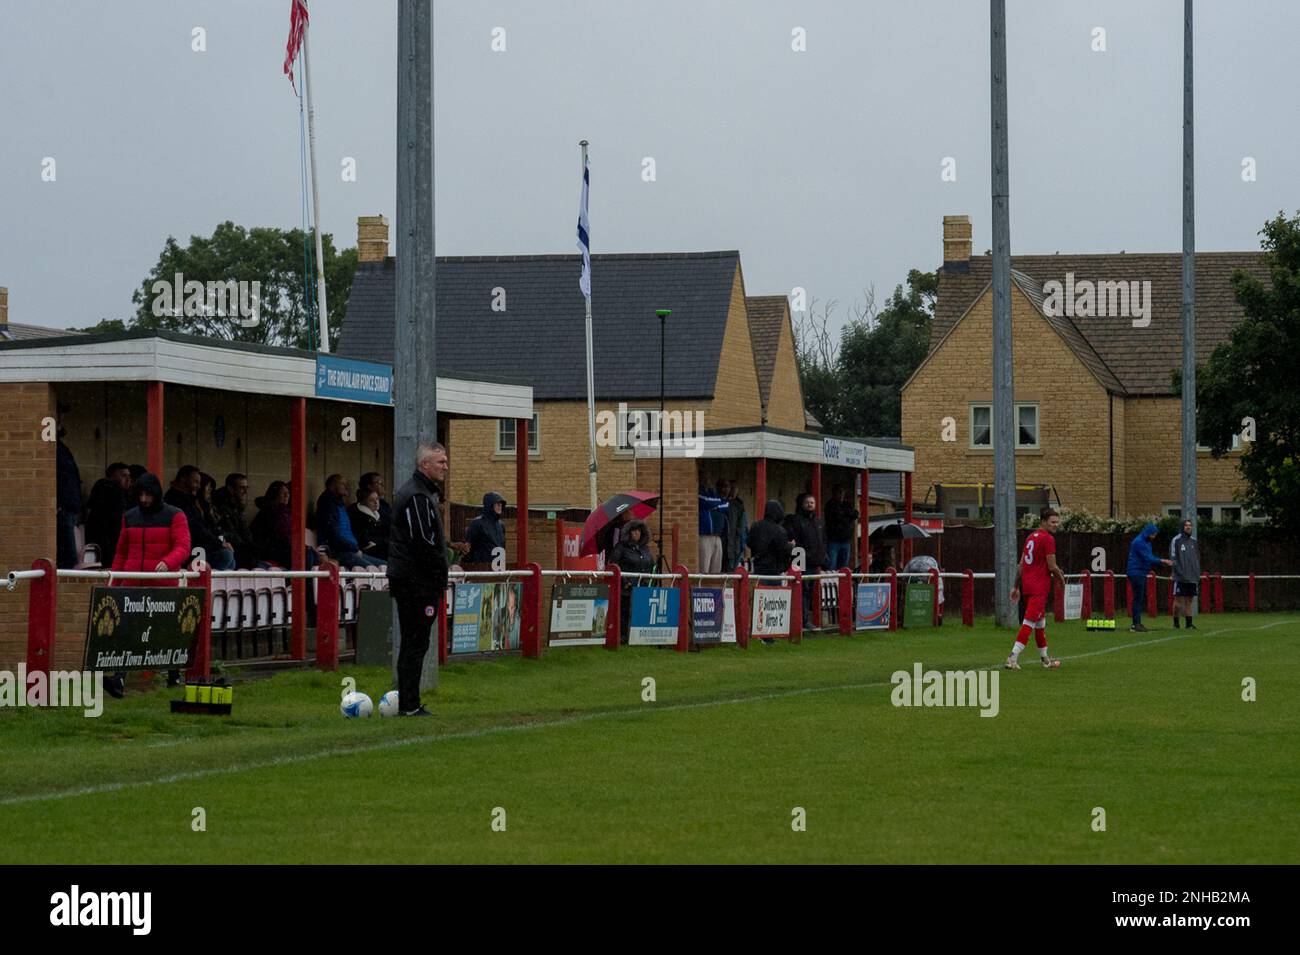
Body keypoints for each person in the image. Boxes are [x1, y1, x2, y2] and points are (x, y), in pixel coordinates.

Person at [107, 472, 191, 697]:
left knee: (165, 632)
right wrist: (114, 579)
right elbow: (122, 551)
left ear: (157, 495)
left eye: (148, 495)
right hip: (132, 583)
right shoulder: (130, 516)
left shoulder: (175, 515)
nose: (144, 499)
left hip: (162, 585)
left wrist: (167, 562)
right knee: (127, 631)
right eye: (140, 495)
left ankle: (173, 676)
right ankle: (119, 679)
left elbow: (183, 546)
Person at [387, 442, 450, 717]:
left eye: (445, 461)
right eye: (440, 462)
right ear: (424, 465)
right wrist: (437, 575)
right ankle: (409, 704)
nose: (445, 467)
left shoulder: (423, 493)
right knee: (415, 640)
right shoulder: (417, 496)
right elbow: (424, 542)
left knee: (416, 641)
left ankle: (409, 702)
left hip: (415, 580)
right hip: (416, 582)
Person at [1006, 507, 1066, 670]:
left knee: (1040, 622)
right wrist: (1062, 582)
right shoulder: (1047, 539)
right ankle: (1012, 657)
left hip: (1028, 585)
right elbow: (1052, 567)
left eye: (1057, 522)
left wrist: (1016, 586)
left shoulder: (1031, 538)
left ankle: (1045, 659)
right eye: (1052, 522)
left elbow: (1022, 565)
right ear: (1043, 522)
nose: (1056, 525)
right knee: (1030, 621)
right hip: (1039, 586)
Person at [165, 465, 235, 570]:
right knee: (225, 555)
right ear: (183, 479)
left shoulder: (191, 500)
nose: (198, 486)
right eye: (195, 482)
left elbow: (204, 526)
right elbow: (195, 528)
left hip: (198, 546)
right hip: (189, 549)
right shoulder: (176, 500)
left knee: (229, 555)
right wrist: (219, 543)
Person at [747, 500, 795, 644]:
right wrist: (790, 547)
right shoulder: (779, 530)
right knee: (772, 603)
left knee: (761, 602)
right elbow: (782, 550)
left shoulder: (756, 526)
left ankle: (760, 633)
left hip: (759, 567)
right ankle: (768, 635)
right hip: (773, 570)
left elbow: (749, 542)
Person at [316, 474, 384, 567]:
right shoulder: (327, 504)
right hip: (339, 552)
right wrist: (354, 548)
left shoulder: (339, 504)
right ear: (332, 485)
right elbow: (333, 535)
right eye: (343, 484)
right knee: (372, 569)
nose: (346, 487)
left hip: (352, 550)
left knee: (385, 566)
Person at [783, 492, 828, 628]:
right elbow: (791, 539)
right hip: (801, 559)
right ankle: (800, 620)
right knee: (801, 590)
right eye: (807, 502)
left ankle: (804, 620)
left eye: (812, 502)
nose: (810, 505)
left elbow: (823, 540)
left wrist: (823, 556)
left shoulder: (819, 522)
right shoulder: (794, 520)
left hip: (815, 561)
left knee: (809, 592)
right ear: (801, 504)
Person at [612, 519, 653, 644]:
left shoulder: (645, 549)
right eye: (634, 531)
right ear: (628, 533)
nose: (637, 533)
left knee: (641, 613)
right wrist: (626, 582)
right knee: (624, 614)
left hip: (643, 588)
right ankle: (623, 637)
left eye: (639, 531)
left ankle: (639, 638)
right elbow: (614, 565)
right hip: (626, 589)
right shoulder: (621, 548)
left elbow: (651, 564)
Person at [1126, 521, 1171, 632]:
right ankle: (1135, 624)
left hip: (1141, 572)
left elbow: (1149, 556)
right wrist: (1163, 561)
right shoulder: (1139, 542)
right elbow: (1148, 558)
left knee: (1139, 598)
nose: (1154, 537)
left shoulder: (1147, 542)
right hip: (1136, 572)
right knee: (1138, 598)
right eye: (1153, 534)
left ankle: (1137, 623)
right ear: (1148, 533)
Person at [84, 462, 132, 566]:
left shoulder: (101, 492)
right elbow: (116, 523)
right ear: (112, 476)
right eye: (123, 475)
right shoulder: (115, 494)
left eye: (129, 476)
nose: (128, 479)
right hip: (108, 543)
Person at [212, 472, 257, 569]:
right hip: (229, 549)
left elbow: (246, 533)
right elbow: (221, 533)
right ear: (231, 489)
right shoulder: (219, 507)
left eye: (246, 488)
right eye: (242, 488)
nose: (245, 492)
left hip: (240, 548)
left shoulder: (238, 508)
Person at [56, 429, 83, 569]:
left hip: (68, 509)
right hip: (65, 510)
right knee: (68, 559)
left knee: (70, 557)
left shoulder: (61, 450)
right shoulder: (59, 450)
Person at [1170, 518, 1200, 630]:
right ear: (1182, 527)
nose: (1188, 527)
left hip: (1192, 577)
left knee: (1189, 600)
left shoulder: (1193, 541)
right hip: (1180, 577)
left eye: (1190, 525)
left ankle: (1189, 624)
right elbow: (1173, 558)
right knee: (1178, 601)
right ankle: (1176, 623)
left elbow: (1197, 559)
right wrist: (1179, 572)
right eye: (1186, 525)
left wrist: (1197, 573)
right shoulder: (1176, 540)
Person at [347, 487, 389, 562]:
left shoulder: (382, 515)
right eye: (371, 500)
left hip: (380, 548)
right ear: (363, 502)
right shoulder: (356, 517)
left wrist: (378, 543)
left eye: (377, 499)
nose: (376, 502)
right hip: (366, 552)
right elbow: (364, 539)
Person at [465, 491, 507, 565]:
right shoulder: (477, 523)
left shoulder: (501, 525)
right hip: (481, 565)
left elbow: (502, 545)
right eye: (497, 504)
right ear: (490, 505)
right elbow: (468, 545)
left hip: (499, 565)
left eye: (501, 505)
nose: (500, 506)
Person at [824, 484, 858, 572]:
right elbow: (838, 516)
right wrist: (847, 515)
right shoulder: (830, 504)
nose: (841, 494)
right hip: (833, 540)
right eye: (839, 492)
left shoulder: (847, 504)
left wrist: (845, 514)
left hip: (846, 540)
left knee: (844, 568)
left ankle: (842, 585)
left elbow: (855, 514)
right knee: (832, 566)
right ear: (834, 493)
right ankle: (833, 583)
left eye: (842, 492)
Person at [697, 479, 729, 574]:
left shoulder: (715, 496)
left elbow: (726, 505)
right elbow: (705, 502)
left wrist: (714, 506)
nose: (708, 483)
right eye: (705, 480)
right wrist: (716, 505)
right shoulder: (700, 493)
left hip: (718, 537)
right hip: (705, 537)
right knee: (704, 569)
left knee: (716, 570)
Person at [721, 479, 748, 570]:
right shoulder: (726, 504)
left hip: (737, 543)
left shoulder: (739, 505)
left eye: (735, 488)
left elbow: (743, 528)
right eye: (732, 488)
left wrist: (743, 545)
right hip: (728, 544)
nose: (733, 490)